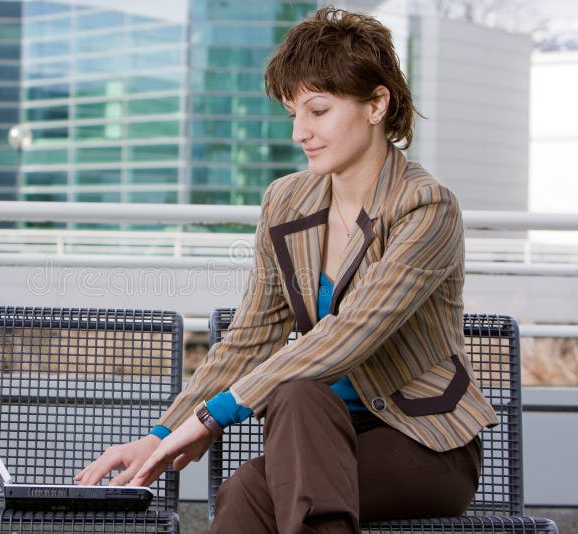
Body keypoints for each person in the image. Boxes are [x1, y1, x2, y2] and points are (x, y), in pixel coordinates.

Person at [76, 6, 498, 533]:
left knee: (286, 414)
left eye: (317, 110)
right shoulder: (286, 201)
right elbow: (250, 336)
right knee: (253, 476)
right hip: (315, 438)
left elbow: (352, 334)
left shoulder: (425, 206)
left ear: (376, 105)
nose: (300, 132)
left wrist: (216, 415)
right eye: (292, 113)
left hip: (424, 443)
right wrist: (165, 432)